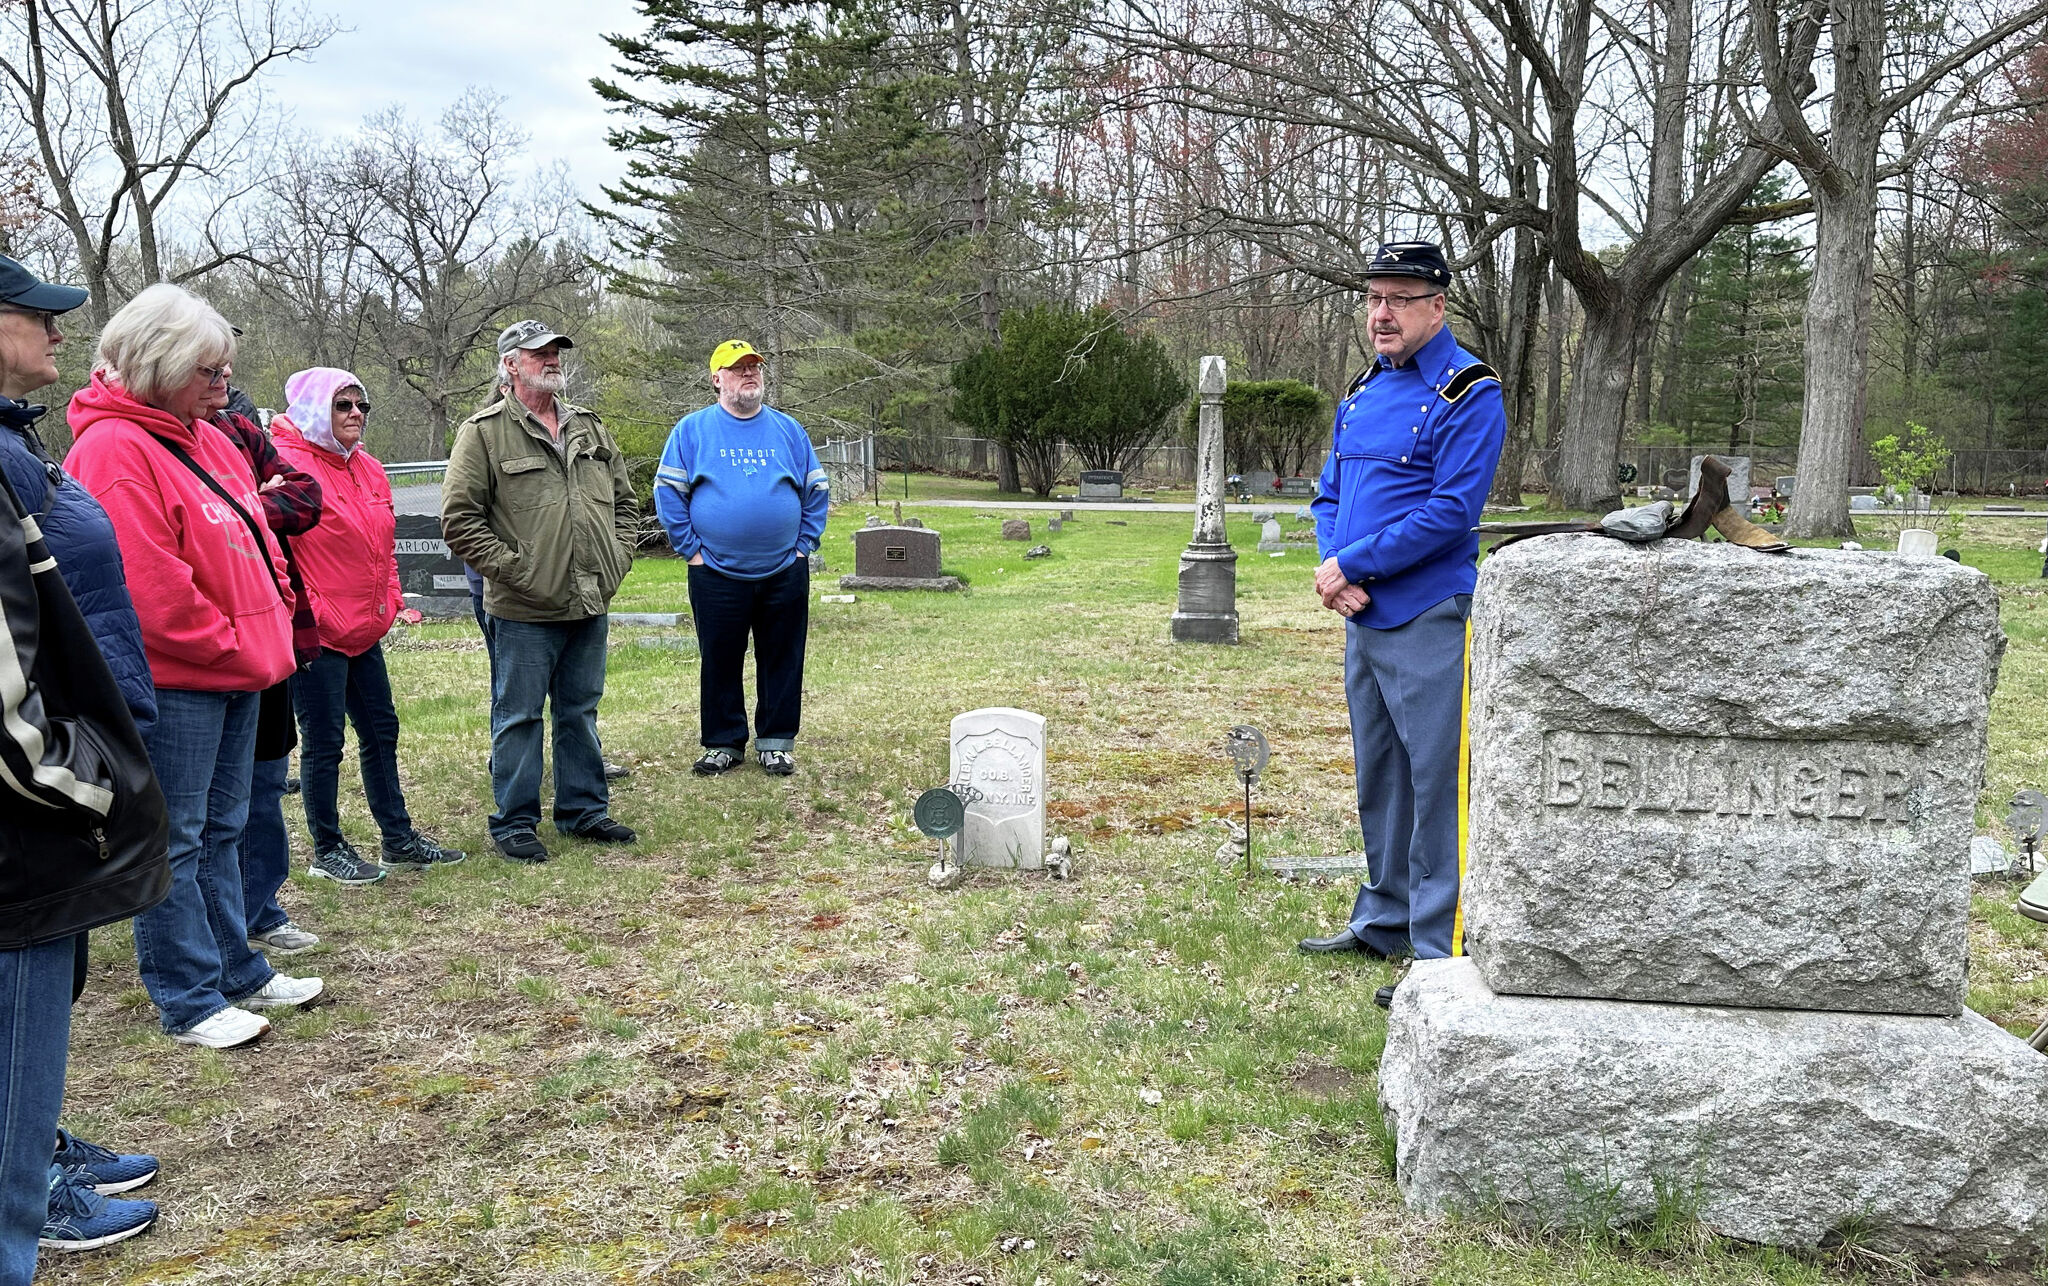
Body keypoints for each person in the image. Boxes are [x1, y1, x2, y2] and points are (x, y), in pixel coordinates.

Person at [67, 283, 324, 1049]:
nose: (224, 388)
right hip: (182, 678)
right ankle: (187, 994)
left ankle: (236, 968)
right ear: (158, 365)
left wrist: (269, 629)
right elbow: (152, 586)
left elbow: (258, 540)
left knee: (224, 827)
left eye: (225, 371)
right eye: (208, 372)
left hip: (242, 668)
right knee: (176, 836)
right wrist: (235, 642)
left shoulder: (210, 435)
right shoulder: (114, 449)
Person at [0, 256, 170, 1278]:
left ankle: (32, 1158)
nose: (61, 332)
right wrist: (90, 787)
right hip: (23, 832)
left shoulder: (16, 444)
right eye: (37, 316)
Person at [1298, 241, 1505, 969]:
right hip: (1362, 615)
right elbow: (1328, 495)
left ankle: (1436, 944)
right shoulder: (1361, 393)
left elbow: (1451, 511)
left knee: (1437, 782)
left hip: (1428, 615)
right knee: (1379, 774)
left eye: (1399, 300)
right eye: (1374, 299)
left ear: (1436, 306)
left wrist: (1352, 563)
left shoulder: (1469, 391)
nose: (1381, 315)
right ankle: (1383, 917)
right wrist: (1333, 570)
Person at [441, 320, 638, 863]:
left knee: (580, 710)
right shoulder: (482, 433)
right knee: (520, 715)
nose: (552, 360)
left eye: (555, 351)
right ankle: (514, 822)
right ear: (510, 364)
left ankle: (584, 811)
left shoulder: (590, 427)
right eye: (539, 354)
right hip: (524, 606)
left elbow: (625, 503)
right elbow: (459, 520)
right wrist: (518, 571)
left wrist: (615, 559)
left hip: (588, 597)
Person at [272, 367, 465, 878]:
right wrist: (307, 605)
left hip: (366, 628)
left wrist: (392, 596)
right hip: (317, 633)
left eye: (361, 405)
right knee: (325, 741)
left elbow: (384, 543)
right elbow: (275, 551)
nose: (356, 414)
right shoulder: (286, 467)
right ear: (316, 410)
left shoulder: (370, 468)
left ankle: (397, 839)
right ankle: (327, 850)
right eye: (343, 405)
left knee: (382, 731)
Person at [654, 340, 828, 778]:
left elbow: (816, 490)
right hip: (714, 571)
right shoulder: (692, 431)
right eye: (737, 368)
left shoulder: (789, 430)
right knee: (720, 657)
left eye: (754, 366)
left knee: (782, 655)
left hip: (784, 569)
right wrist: (691, 552)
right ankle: (723, 742)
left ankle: (776, 741)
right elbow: (668, 493)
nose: (749, 374)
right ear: (717, 379)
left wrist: (803, 546)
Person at [204, 387, 332, 951]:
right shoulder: (134, 442)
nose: (222, 375)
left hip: (274, 633)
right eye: (208, 365)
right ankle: (218, 928)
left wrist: (247, 505)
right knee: (211, 807)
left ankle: (261, 905)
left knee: (266, 781)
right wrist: (252, 502)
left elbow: (307, 498)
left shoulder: (238, 427)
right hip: (216, 649)